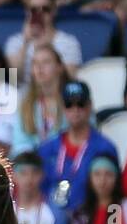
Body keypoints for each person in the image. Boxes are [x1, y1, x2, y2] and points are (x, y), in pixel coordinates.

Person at [37, 80, 120, 211]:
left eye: (80, 104)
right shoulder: (46, 149)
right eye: (69, 104)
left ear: (90, 106)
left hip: (90, 221)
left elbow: (115, 195)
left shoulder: (105, 147)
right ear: (63, 108)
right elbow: (39, 191)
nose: (75, 110)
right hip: (52, 222)